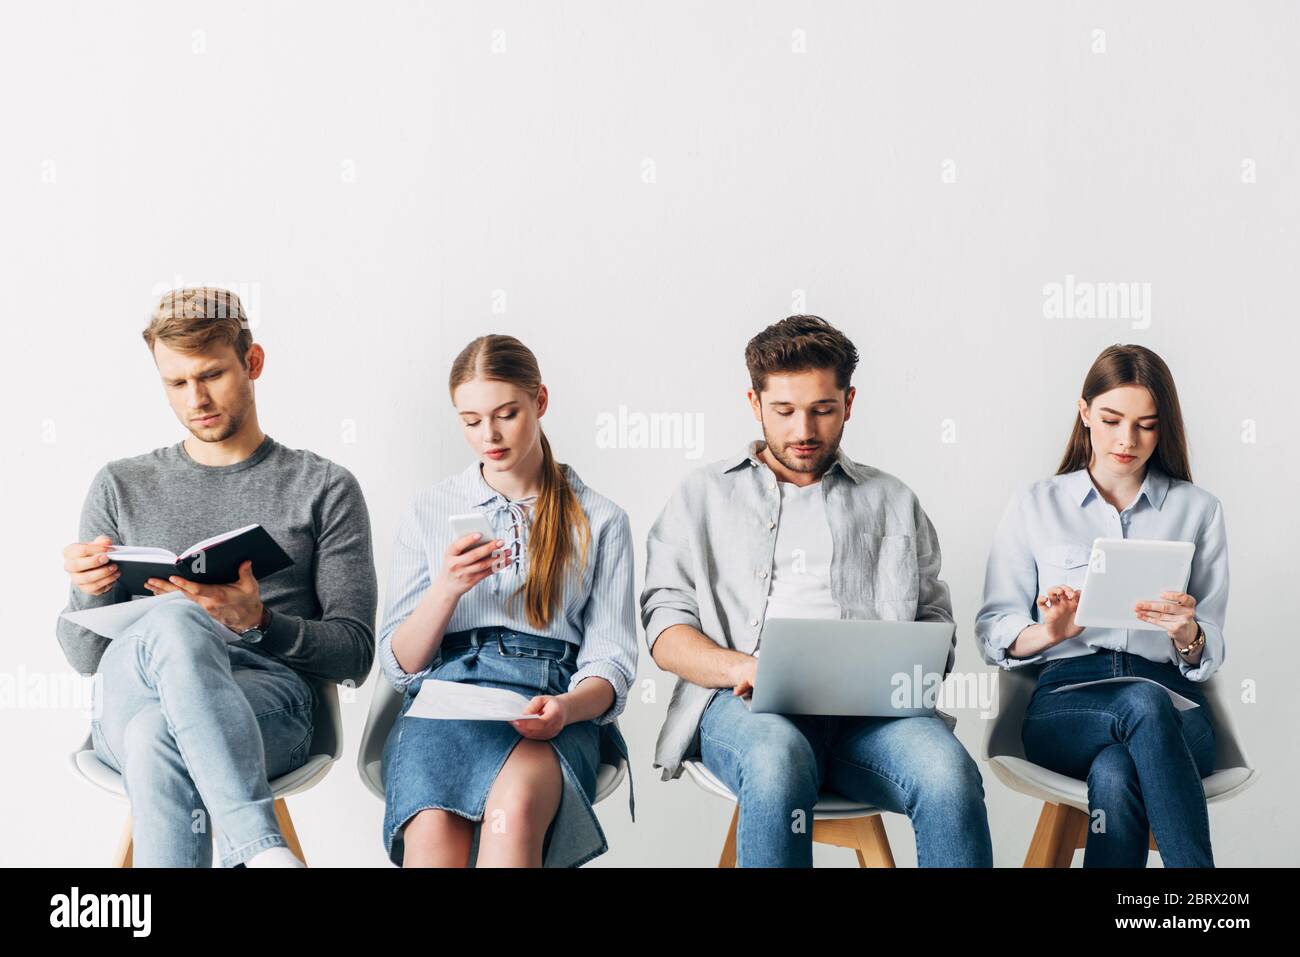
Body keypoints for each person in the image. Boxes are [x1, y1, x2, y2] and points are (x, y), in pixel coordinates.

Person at [641, 315, 993, 867]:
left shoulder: (893, 499)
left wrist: (904, 665)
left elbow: (934, 624)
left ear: (848, 403)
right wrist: (741, 667)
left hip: (874, 719)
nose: (803, 430)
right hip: (750, 710)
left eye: (822, 410)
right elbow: (665, 629)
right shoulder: (702, 495)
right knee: (777, 762)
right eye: (784, 411)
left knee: (949, 776)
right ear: (755, 404)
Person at [58, 287, 378, 867]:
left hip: (267, 705)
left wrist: (259, 622)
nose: (195, 399)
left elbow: (355, 654)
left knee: (161, 734)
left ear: (252, 364)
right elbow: (85, 657)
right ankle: (262, 850)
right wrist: (90, 587)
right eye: (175, 384)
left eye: (211, 375)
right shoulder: (119, 485)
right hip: (133, 695)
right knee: (176, 620)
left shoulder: (323, 488)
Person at [377, 334, 637, 867]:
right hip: (445, 701)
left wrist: (566, 709)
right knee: (432, 836)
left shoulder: (602, 518)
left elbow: (610, 664)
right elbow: (399, 665)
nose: (488, 435)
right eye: (470, 421)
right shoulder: (428, 509)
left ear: (540, 402)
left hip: (549, 702)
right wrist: (446, 589)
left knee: (514, 813)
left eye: (506, 414)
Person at [975, 343, 1226, 867]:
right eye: (1112, 419)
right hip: (1068, 702)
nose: (1127, 440)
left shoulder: (1197, 510)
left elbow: (1210, 649)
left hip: (1173, 702)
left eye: (1146, 425)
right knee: (1139, 705)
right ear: (1085, 411)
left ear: (1164, 429)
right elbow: (994, 627)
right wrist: (1050, 632)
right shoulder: (1034, 505)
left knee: (1116, 771)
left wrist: (1188, 632)